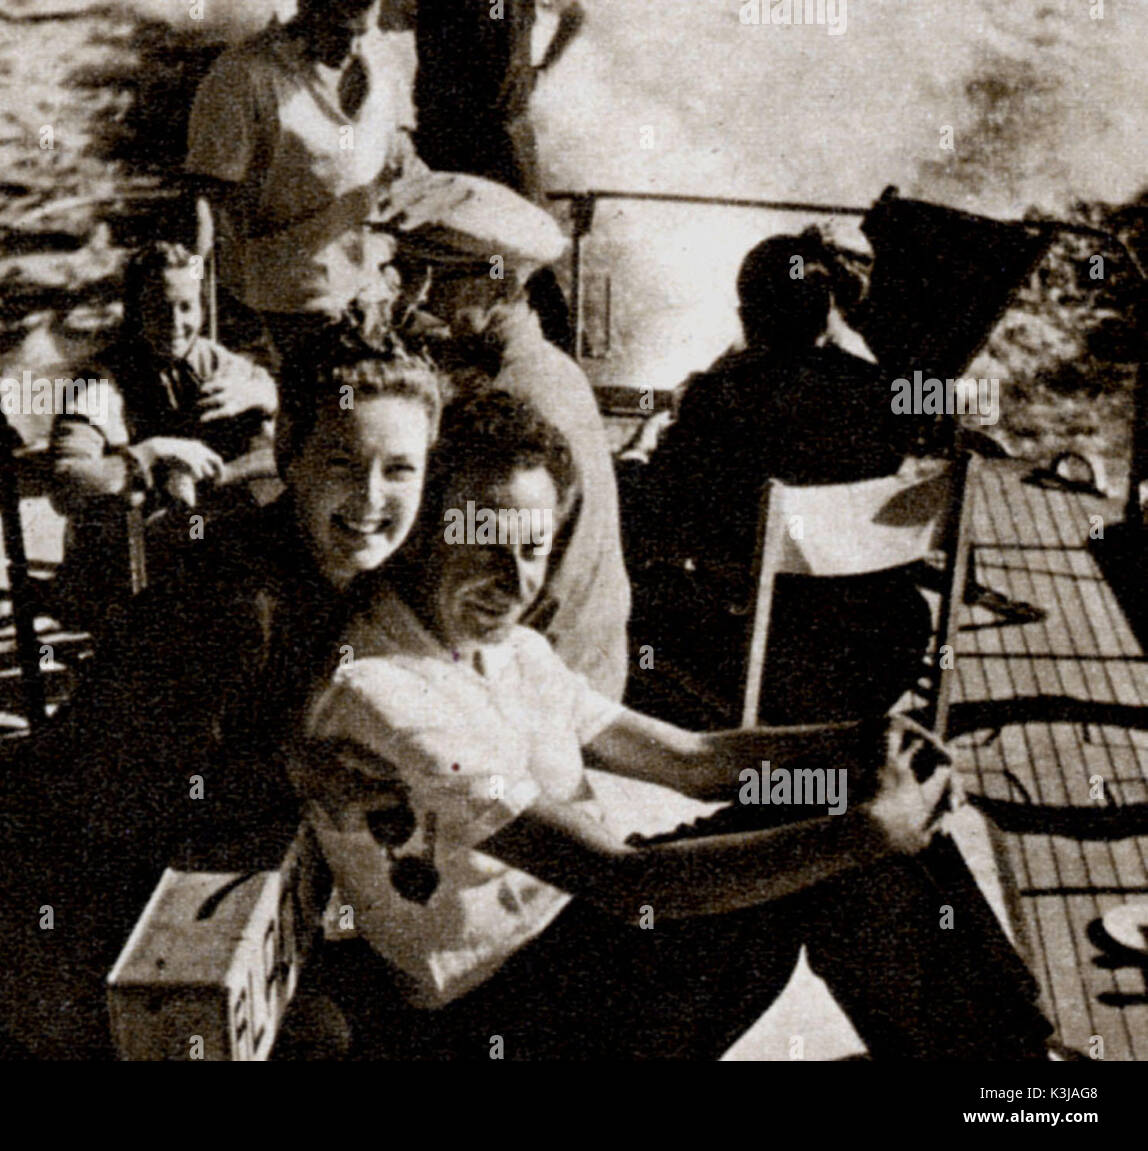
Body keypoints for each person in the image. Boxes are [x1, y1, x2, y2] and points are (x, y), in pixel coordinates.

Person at [296, 390, 1054, 1060]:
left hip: (586, 947)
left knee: (854, 790)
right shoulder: (385, 693)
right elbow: (628, 883)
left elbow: (695, 759)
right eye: (484, 543)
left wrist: (859, 742)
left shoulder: (505, 650)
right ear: (425, 528)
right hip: (515, 1016)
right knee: (849, 845)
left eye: (534, 549)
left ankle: (1014, 1058)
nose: (516, 582)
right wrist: (867, 830)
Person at [0, 337, 447, 1060]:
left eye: (399, 470)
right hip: (19, 905)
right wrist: (290, 772)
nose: (372, 498)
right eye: (343, 464)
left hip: (120, 872)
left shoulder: (347, 571)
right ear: (290, 451)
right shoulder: (239, 601)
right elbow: (123, 792)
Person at [629, 229, 931, 727]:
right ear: (829, 315)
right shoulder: (888, 394)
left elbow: (660, 519)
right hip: (883, 652)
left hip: (773, 662)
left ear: (746, 318)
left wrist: (638, 452)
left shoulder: (718, 397)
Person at [418, 230, 630, 701]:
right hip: (589, 668)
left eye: (436, 279)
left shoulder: (506, 400)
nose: (417, 297)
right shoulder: (553, 369)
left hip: (544, 687)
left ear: (496, 288)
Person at [49, 241, 280, 622]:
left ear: (202, 307)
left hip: (204, 542)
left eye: (186, 307)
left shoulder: (224, 367)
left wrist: (267, 396)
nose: (176, 324)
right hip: (124, 565)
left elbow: (298, 449)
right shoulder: (98, 383)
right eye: (159, 309)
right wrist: (150, 454)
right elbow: (65, 484)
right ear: (135, 312)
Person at [185, 0, 419, 373]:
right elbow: (204, 200)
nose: (354, 48)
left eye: (363, 32)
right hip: (284, 299)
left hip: (374, 284)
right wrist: (190, 296)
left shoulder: (381, 57)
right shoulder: (243, 76)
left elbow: (403, 153)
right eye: (340, 33)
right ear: (307, 11)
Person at [413, 0, 584, 200]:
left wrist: (542, 70)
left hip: (502, 136)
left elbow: (573, 15)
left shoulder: (499, 8)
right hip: (442, 129)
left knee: (521, 220)